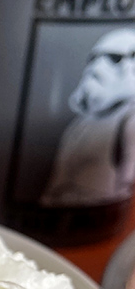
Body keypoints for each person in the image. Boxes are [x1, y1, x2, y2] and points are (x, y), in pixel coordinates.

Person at [42, 27, 135, 207]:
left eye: (112, 58)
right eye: (95, 58)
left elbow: (127, 182)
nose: (98, 67)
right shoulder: (78, 126)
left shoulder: (127, 119)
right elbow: (55, 183)